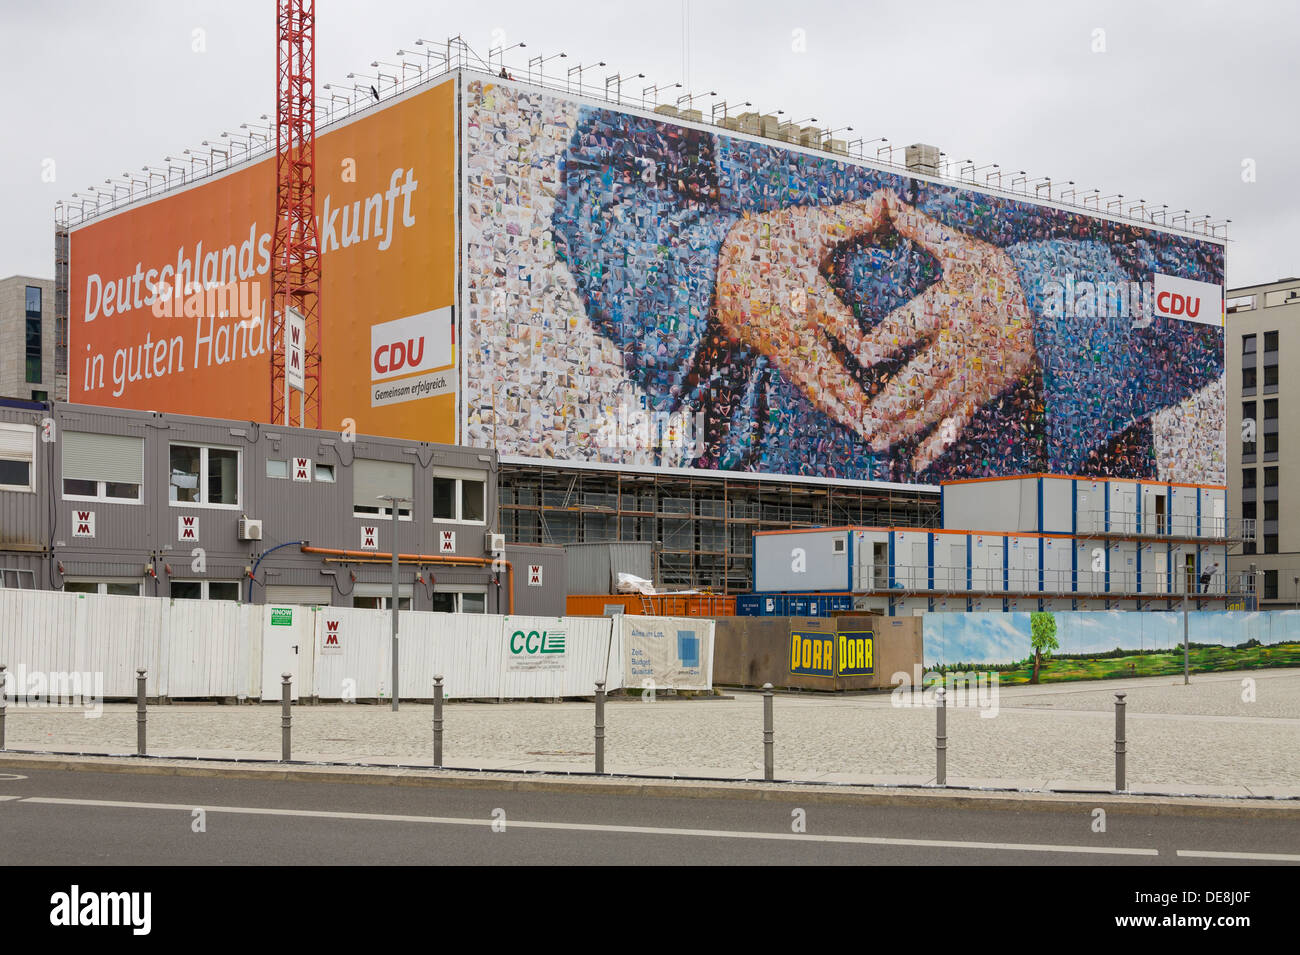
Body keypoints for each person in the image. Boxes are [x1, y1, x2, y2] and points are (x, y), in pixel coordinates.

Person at [550, 106, 1224, 483]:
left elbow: (1207, 281)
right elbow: (596, 188)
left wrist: (1040, 303)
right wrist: (724, 264)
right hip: (762, 502)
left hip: (1057, 526)